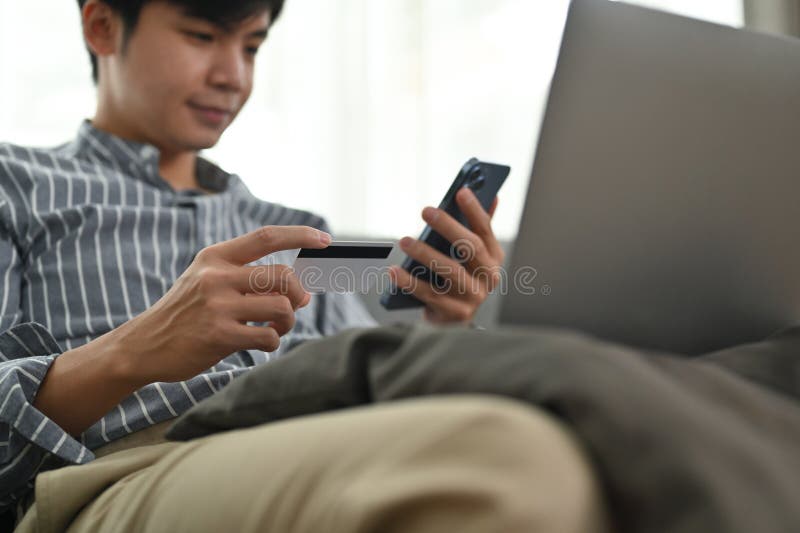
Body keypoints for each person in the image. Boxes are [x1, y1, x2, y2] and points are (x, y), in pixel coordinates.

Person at [0, 1, 606, 531]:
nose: (232, 76)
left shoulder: (295, 222)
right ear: (103, 27)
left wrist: (444, 330)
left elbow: (360, 373)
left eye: (253, 46)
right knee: (520, 459)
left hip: (322, 433)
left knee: (579, 427)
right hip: (128, 470)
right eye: (201, 37)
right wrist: (135, 350)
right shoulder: (17, 186)